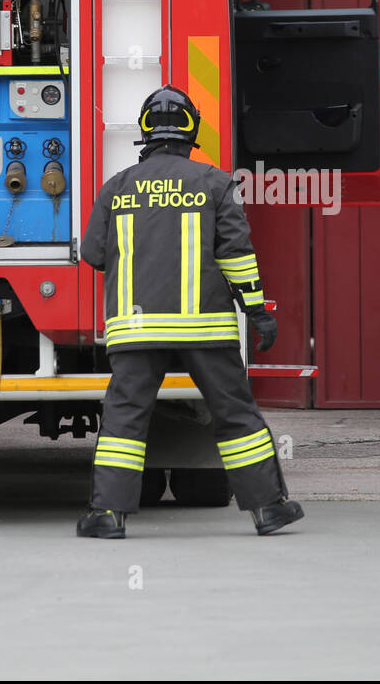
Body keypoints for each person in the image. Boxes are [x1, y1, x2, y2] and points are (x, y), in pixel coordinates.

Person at [76, 85, 303, 538]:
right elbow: (237, 255)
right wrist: (256, 311)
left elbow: (93, 254)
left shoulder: (116, 187)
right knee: (235, 414)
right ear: (191, 132)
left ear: (144, 132)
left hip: (136, 329)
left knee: (124, 418)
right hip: (206, 329)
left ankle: (108, 516)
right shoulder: (216, 183)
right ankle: (268, 509)